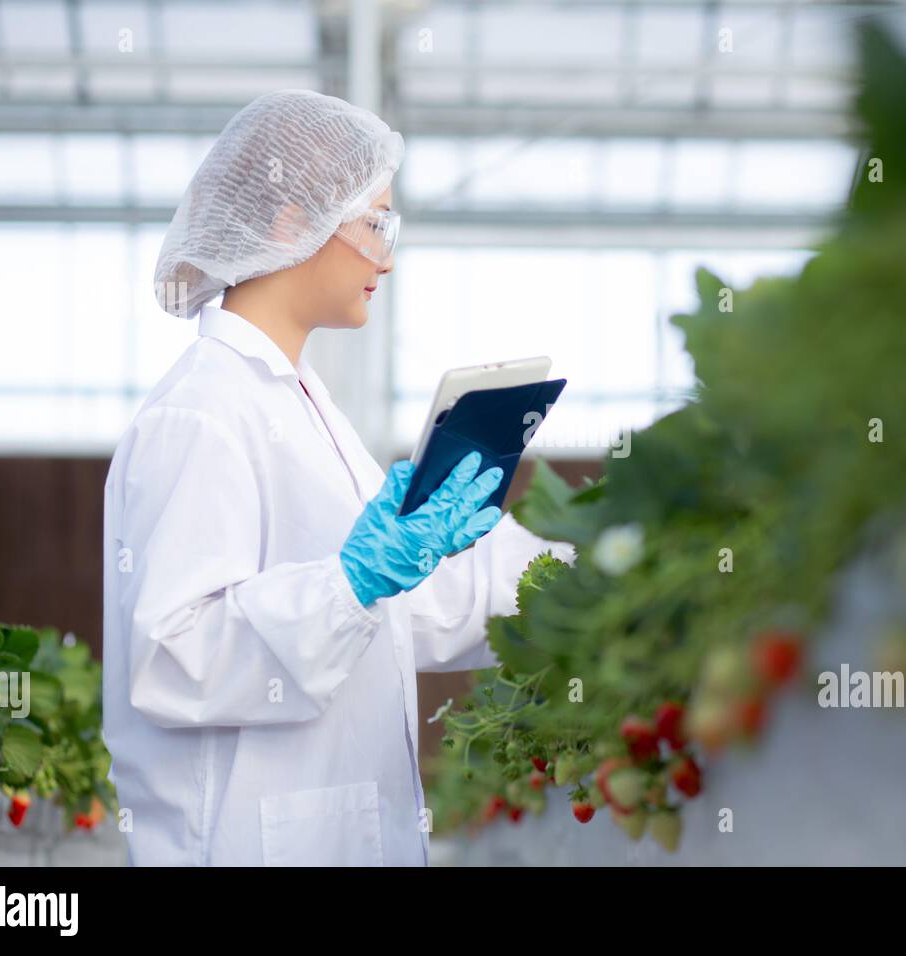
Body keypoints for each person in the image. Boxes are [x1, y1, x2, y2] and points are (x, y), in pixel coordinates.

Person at [101, 90, 573, 866]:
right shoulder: (201, 414)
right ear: (293, 223)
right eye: (375, 224)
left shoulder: (297, 401)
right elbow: (172, 659)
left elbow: (397, 615)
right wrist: (353, 581)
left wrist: (578, 573)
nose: (386, 257)